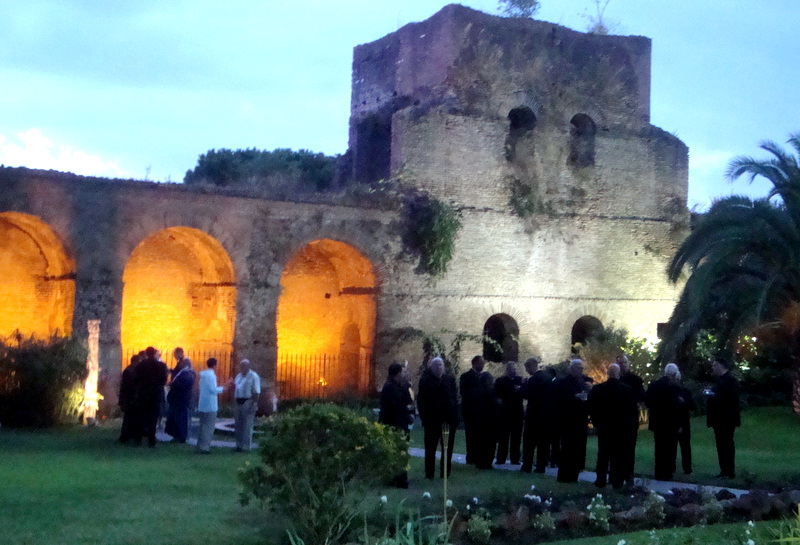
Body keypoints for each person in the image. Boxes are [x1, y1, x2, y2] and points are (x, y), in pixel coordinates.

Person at [588, 363, 638, 488]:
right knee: (618, 454)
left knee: (603, 453)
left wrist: (596, 422)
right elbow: (632, 411)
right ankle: (616, 480)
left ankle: (601, 479)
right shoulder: (626, 389)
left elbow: (592, 407)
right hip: (621, 428)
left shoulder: (598, 389)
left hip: (604, 427)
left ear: (608, 374)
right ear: (619, 374)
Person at [417, 357, 459, 479]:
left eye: (441, 365)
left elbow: (454, 399)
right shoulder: (426, 381)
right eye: (436, 366)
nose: (439, 368)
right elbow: (421, 401)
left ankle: (445, 472)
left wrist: (455, 416)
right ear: (432, 368)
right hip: (432, 420)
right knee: (430, 448)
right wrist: (424, 417)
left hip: (448, 419)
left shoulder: (449, 380)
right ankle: (429, 473)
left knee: (447, 448)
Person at [554, 359, 592, 483]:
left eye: (581, 369)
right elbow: (559, 399)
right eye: (578, 369)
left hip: (580, 419)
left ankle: (574, 474)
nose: (581, 371)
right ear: (572, 369)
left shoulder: (582, 382)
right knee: (567, 448)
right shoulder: (563, 383)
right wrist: (574, 398)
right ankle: (565, 475)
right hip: (568, 420)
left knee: (578, 448)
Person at [379, 361, 415, 487]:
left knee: (402, 450)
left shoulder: (401, 385)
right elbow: (395, 404)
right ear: (397, 373)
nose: (404, 374)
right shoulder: (389, 387)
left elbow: (408, 401)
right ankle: (397, 478)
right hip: (394, 423)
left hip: (401, 422)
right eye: (402, 372)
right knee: (396, 451)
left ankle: (401, 477)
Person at [646, 363, 682, 480]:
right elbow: (675, 407)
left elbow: (648, 402)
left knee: (659, 448)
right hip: (670, 423)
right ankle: (668, 472)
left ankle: (659, 472)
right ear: (673, 374)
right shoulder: (673, 388)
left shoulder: (654, 385)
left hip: (657, 422)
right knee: (670, 448)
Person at [706, 357, 740, 479]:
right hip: (718, 419)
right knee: (721, 445)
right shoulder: (719, 381)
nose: (713, 368)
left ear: (721, 366)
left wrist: (713, 396)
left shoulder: (730, 381)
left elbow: (729, 399)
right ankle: (723, 470)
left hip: (726, 419)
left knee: (727, 444)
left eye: (715, 365)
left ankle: (729, 471)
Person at [459, 355, 496, 469]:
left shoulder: (483, 377)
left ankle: (477, 456)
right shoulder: (465, 376)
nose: (482, 366)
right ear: (474, 363)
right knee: (470, 434)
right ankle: (471, 457)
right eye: (481, 363)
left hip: (481, 411)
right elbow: (464, 393)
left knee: (478, 435)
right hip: (470, 410)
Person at [520, 357, 554, 473]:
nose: (526, 371)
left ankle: (527, 465)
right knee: (543, 443)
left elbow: (526, 394)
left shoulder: (533, 380)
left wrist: (523, 385)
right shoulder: (548, 378)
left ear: (531, 366)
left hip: (533, 414)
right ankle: (541, 466)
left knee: (529, 442)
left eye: (527, 368)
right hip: (546, 414)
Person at [617, 354, 644, 484]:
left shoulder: (636, 380)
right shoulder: (615, 379)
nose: (622, 365)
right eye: (620, 363)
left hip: (630, 418)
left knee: (629, 448)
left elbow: (641, 397)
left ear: (628, 364)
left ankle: (628, 474)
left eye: (624, 363)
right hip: (617, 419)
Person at [135, 347, 169, 447]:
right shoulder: (161, 365)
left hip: (143, 393)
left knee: (141, 416)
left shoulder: (141, 365)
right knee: (153, 417)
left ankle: (138, 438)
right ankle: (151, 440)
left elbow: (136, 378)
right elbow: (164, 380)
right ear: (154, 354)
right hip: (155, 393)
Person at [495, 361, 524, 465]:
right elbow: (497, 395)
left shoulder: (520, 380)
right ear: (507, 370)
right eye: (512, 369)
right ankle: (501, 458)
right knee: (503, 437)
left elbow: (524, 393)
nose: (514, 371)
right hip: (505, 412)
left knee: (516, 437)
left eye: (515, 369)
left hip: (517, 412)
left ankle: (515, 458)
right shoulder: (501, 381)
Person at [165, 353, 196, 443]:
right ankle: (176, 435)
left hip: (180, 400)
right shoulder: (182, 372)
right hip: (176, 400)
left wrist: (173, 385)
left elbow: (184, 384)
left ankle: (181, 437)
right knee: (175, 418)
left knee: (180, 419)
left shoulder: (188, 373)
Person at [196, 358, 225, 454]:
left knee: (202, 426)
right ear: (214, 365)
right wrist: (223, 388)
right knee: (208, 427)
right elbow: (213, 390)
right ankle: (205, 447)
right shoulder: (211, 376)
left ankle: (200, 445)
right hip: (210, 404)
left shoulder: (203, 375)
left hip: (202, 403)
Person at [232, 359, 261, 452]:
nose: (242, 368)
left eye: (244, 366)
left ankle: (246, 446)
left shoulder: (253, 376)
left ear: (248, 367)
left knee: (247, 425)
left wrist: (253, 404)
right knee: (238, 425)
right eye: (241, 366)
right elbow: (236, 388)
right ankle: (239, 445)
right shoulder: (238, 376)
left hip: (248, 401)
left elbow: (256, 392)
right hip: (238, 401)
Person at [675, 367, 695, 475]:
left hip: (684, 422)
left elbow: (692, 405)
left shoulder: (686, 392)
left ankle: (687, 468)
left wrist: (684, 402)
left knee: (686, 447)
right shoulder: (670, 391)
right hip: (673, 422)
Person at [118, 354, 141, 444]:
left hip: (128, 397)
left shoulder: (128, 370)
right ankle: (129, 435)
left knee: (128, 417)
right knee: (132, 417)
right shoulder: (133, 371)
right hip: (132, 397)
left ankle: (126, 436)